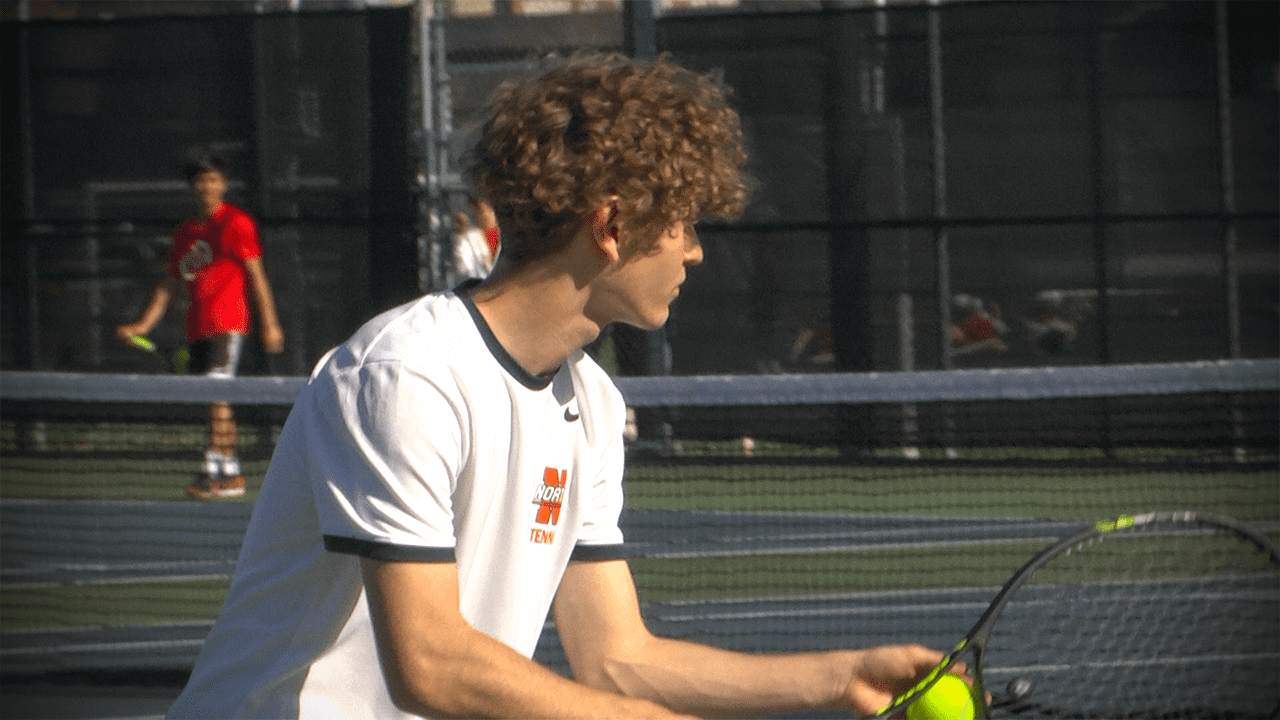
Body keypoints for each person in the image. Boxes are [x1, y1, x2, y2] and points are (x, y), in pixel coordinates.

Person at [166, 53, 948, 719]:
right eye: (684, 223)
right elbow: (430, 663)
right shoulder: (406, 375)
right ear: (613, 228)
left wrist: (841, 678)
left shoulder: (595, 406)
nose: (696, 254)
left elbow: (616, 657)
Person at [117, 148, 284, 500]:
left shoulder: (237, 223)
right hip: (198, 327)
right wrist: (143, 324)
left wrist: (270, 324)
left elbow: (257, 276)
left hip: (229, 324)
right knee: (215, 398)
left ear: (223, 185)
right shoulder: (186, 233)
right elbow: (170, 284)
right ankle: (233, 473)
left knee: (216, 392)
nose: (207, 187)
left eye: (213, 180)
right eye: (201, 181)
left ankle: (212, 472)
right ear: (193, 187)